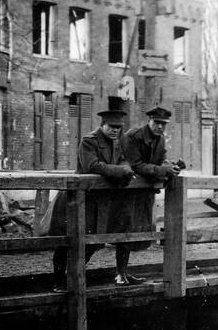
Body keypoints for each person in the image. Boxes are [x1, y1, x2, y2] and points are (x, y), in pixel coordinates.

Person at [51, 109, 137, 288]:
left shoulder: (116, 143)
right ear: (102, 125)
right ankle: (58, 280)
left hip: (97, 201)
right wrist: (120, 170)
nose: (116, 131)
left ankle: (72, 276)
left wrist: (125, 167)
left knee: (91, 242)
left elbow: (123, 160)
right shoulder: (89, 141)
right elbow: (92, 166)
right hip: (76, 199)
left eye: (119, 128)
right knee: (67, 240)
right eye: (112, 127)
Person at [118, 106, 185, 283]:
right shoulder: (133, 136)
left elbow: (160, 159)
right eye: (157, 123)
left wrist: (169, 165)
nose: (160, 127)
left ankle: (124, 272)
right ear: (150, 121)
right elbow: (136, 165)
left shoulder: (160, 139)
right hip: (127, 190)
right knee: (125, 229)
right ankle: (120, 273)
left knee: (139, 230)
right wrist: (162, 169)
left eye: (163, 124)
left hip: (145, 191)